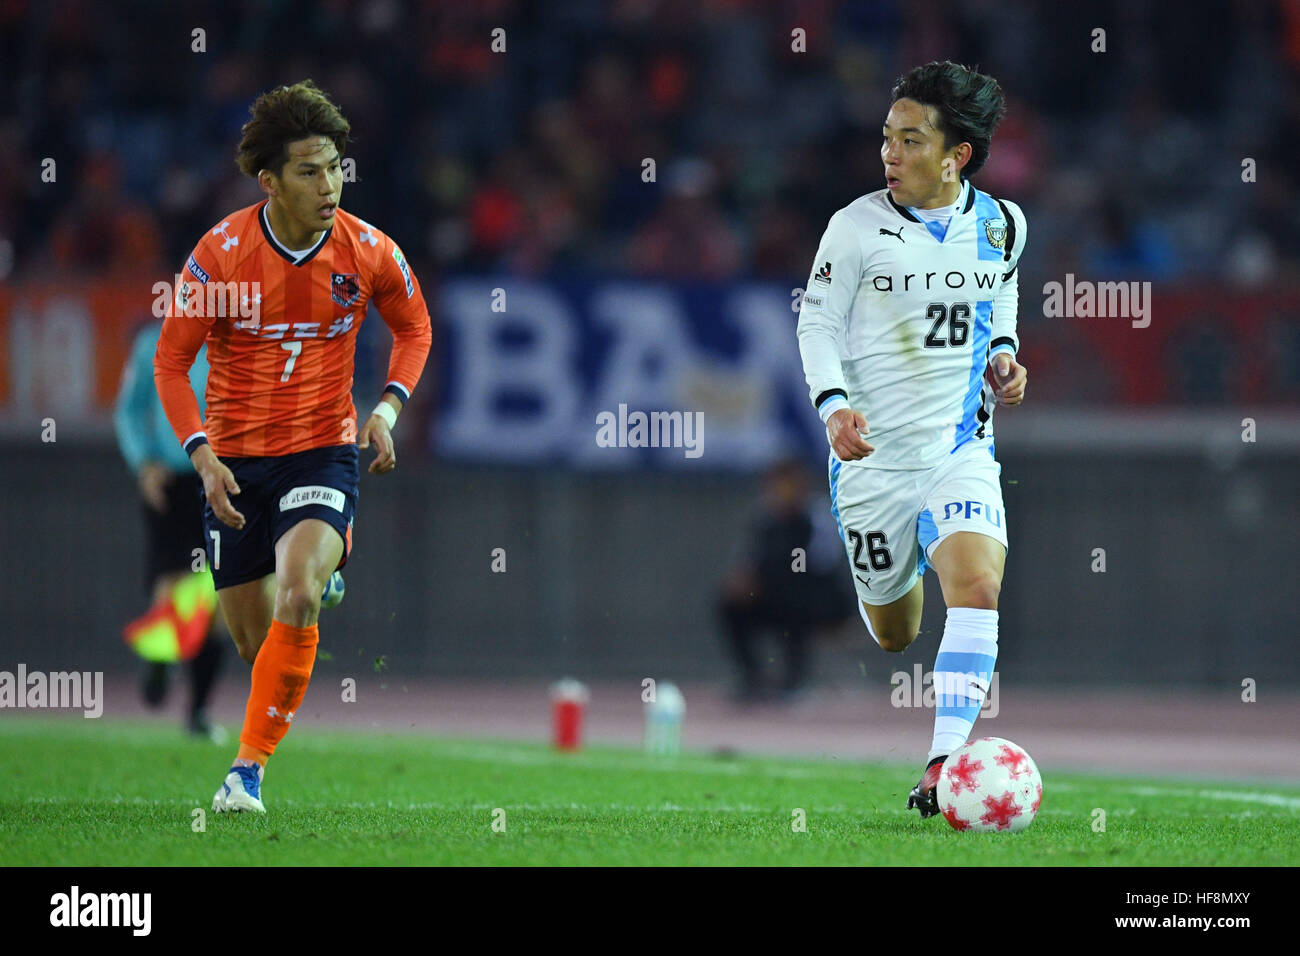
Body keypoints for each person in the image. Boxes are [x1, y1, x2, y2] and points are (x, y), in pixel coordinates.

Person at [154, 80, 433, 813]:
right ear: (269, 180)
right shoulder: (220, 257)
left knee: (299, 593)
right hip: (237, 464)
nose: (330, 184)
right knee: (254, 644)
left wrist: (388, 410)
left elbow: (415, 328)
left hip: (323, 448)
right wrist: (201, 454)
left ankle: (244, 772)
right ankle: (315, 572)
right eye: (310, 171)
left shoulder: (369, 250)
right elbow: (171, 362)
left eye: (336, 166)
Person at [796, 61, 1029, 819]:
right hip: (871, 463)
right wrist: (834, 407)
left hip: (959, 447)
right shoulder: (855, 227)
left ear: (955, 154)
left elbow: (1001, 288)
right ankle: (898, 583)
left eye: (909, 139)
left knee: (979, 585)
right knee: (897, 635)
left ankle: (943, 763)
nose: (889, 153)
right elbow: (819, 322)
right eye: (887, 137)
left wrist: (1003, 352)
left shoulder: (1001, 223)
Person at [114, 320, 225, 742]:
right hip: (174, 479)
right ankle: (162, 654)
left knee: (219, 597)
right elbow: (129, 409)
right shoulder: (152, 344)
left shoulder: (243, 335)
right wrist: (143, 463)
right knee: (176, 581)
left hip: (225, 476)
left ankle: (197, 709)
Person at [718, 458, 853, 703]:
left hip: (819, 599)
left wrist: (778, 579)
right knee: (730, 604)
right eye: (775, 486)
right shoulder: (766, 521)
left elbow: (824, 566)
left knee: (797, 601)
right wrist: (745, 581)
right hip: (774, 597)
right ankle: (753, 677)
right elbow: (752, 562)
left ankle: (794, 681)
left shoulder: (817, 518)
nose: (781, 492)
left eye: (787, 485)